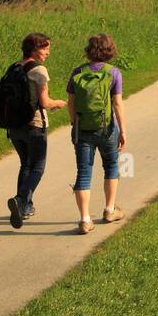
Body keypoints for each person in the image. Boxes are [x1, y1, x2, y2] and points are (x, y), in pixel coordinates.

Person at [67, 33, 128, 234]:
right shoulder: (114, 73)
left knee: (84, 172)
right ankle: (110, 210)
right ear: (110, 50)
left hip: (83, 130)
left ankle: (85, 220)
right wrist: (123, 130)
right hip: (107, 128)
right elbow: (117, 103)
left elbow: (71, 102)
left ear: (89, 50)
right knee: (111, 166)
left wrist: (74, 123)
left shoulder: (77, 72)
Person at [7, 32, 66, 229]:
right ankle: (20, 199)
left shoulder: (14, 67)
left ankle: (24, 207)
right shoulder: (39, 70)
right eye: (45, 48)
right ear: (34, 49)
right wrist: (60, 103)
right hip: (34, 125)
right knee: (38, 167)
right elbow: (45, 102)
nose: (48, 52)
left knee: (25, 164)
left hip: (14, 127)